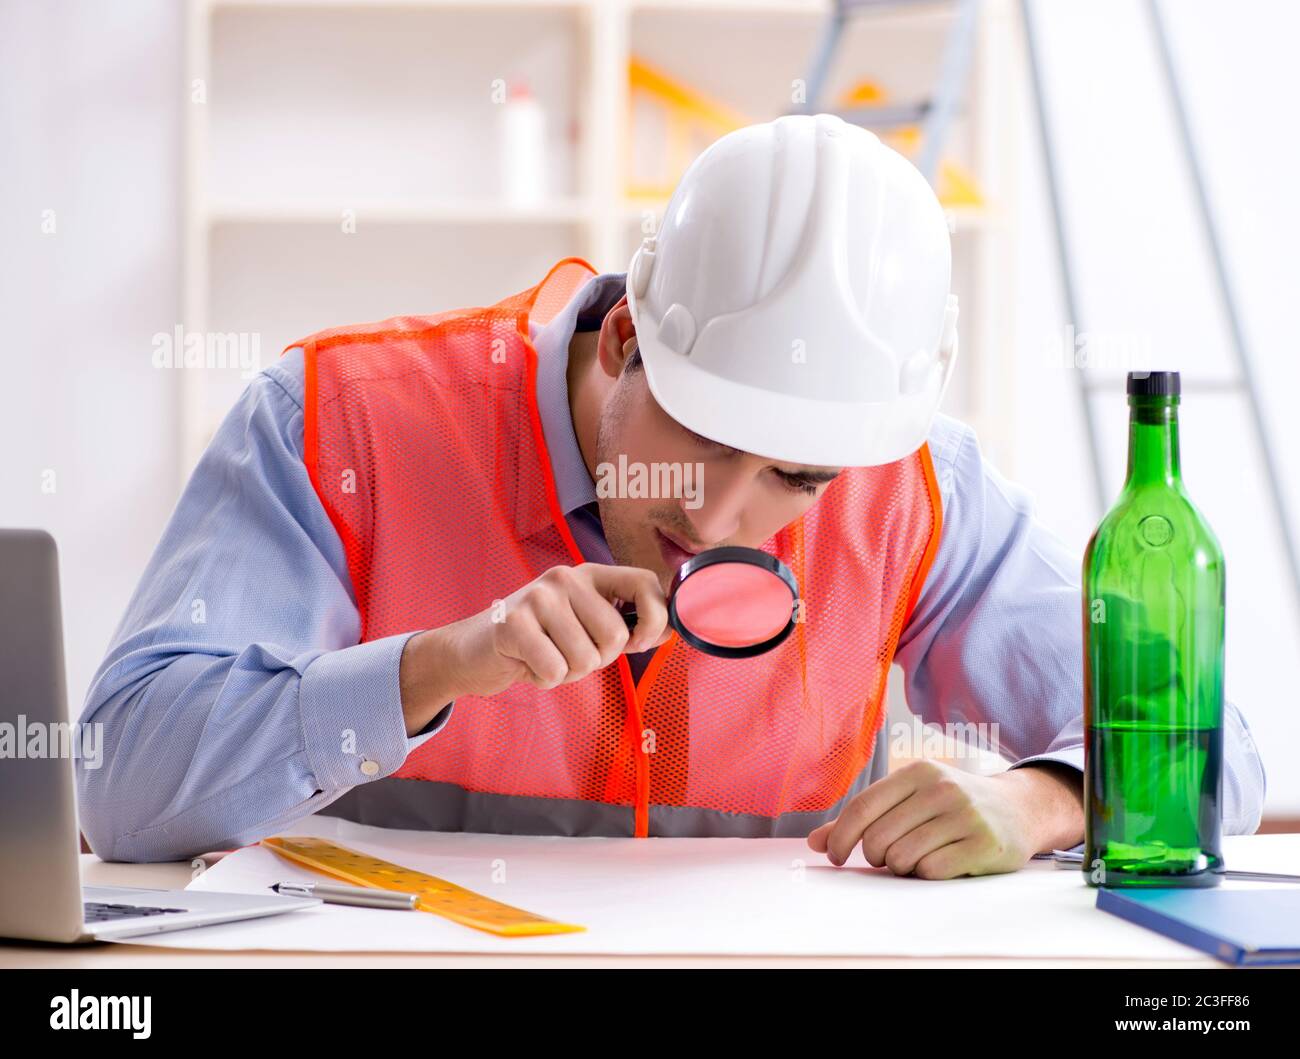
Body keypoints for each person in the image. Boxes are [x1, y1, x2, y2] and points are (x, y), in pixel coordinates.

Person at [78, 114, 1265, 874]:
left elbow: (1219, 754)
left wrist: (1046, 798)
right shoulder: (341, 421)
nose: (720, 518)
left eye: (795, 479)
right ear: (625, 339)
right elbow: (121, 786)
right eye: (705, 439)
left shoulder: (912, 489)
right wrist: (430, 668)